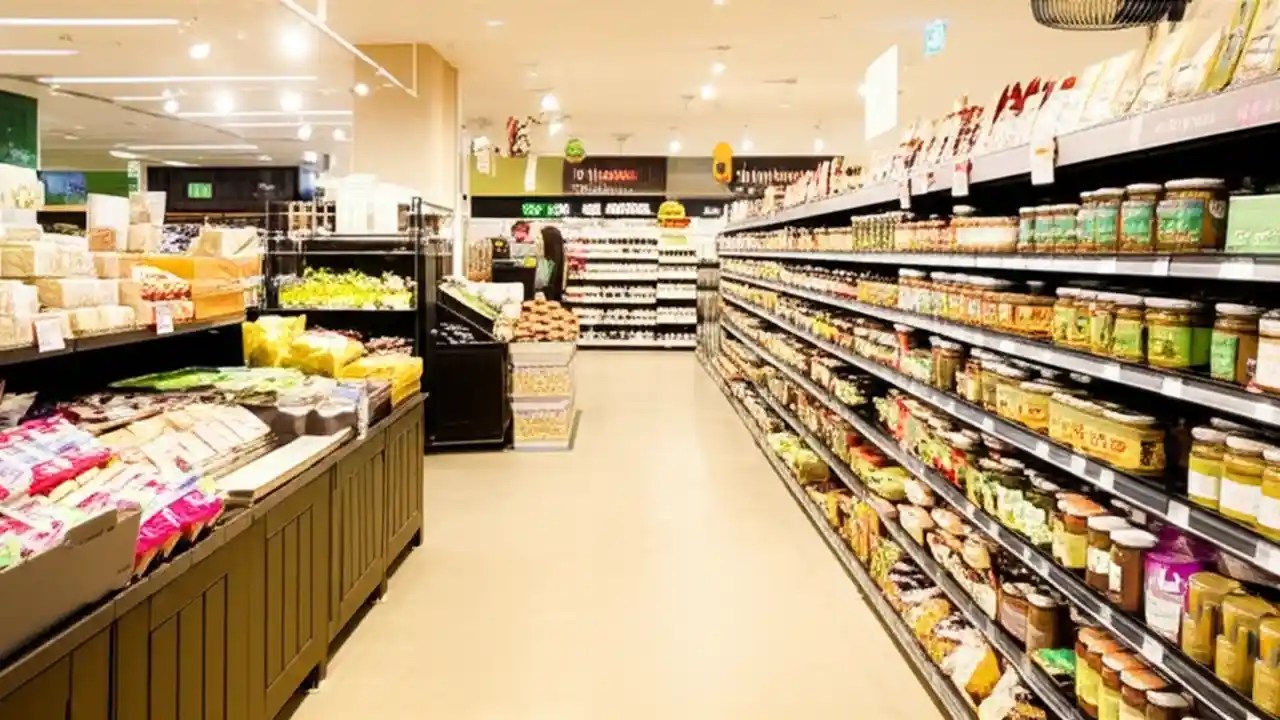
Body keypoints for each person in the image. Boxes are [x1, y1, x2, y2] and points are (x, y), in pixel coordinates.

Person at [536, 225, 566, 302]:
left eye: (540, 239)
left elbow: (540, 284)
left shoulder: (546, 262)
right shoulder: (560, 258)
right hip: (556, 298)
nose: (538, 242)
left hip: (545, 301)